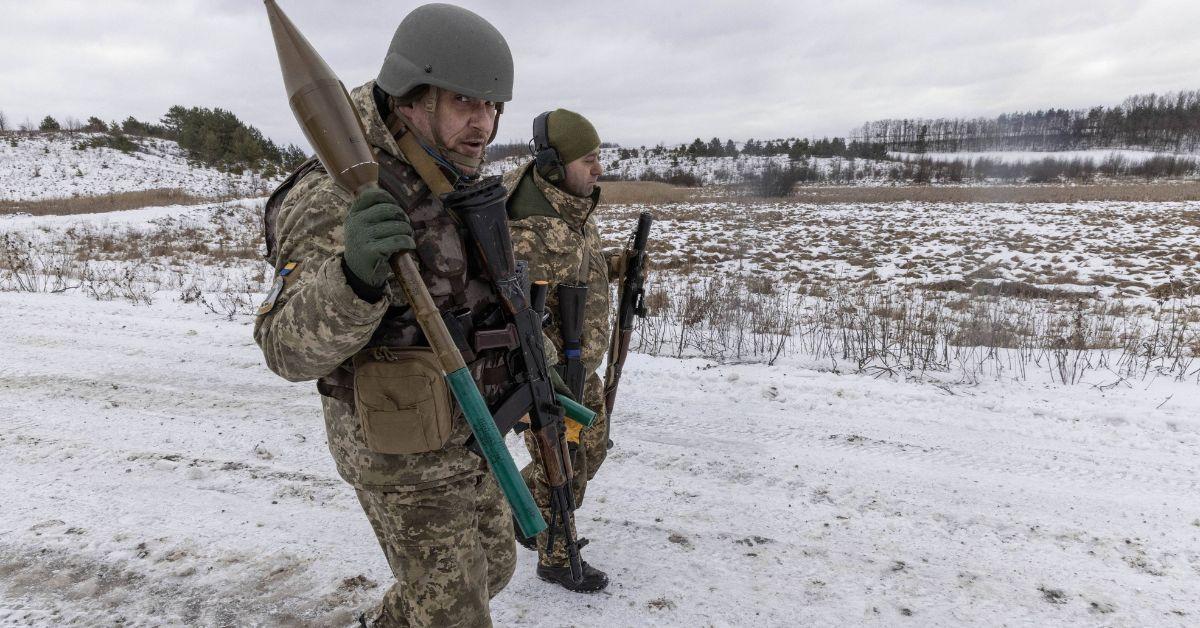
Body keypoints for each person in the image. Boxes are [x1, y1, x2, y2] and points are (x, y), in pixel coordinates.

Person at [254, 4, 523, 625]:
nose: (483, 124)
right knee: (456, 613)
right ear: (409, 98)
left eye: (492, 107)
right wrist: (352, 278)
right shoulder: (335, 191)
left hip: (469, 429)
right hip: (397, 449)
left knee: (495, 567)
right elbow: (285, 349)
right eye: (465, 102)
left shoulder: (450, 166)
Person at [503, 109, 620, 592]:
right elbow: (512, 310)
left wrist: (615, 265)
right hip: (548, 375)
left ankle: (519, 506)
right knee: (563, 460)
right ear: (554, 163)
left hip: (582, 362)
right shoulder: (526, 229)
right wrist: (543, 376)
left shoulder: (571, 207)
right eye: (588, 159)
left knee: (590, 450)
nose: (598, 170)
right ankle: (554, 556)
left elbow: (574, 275)